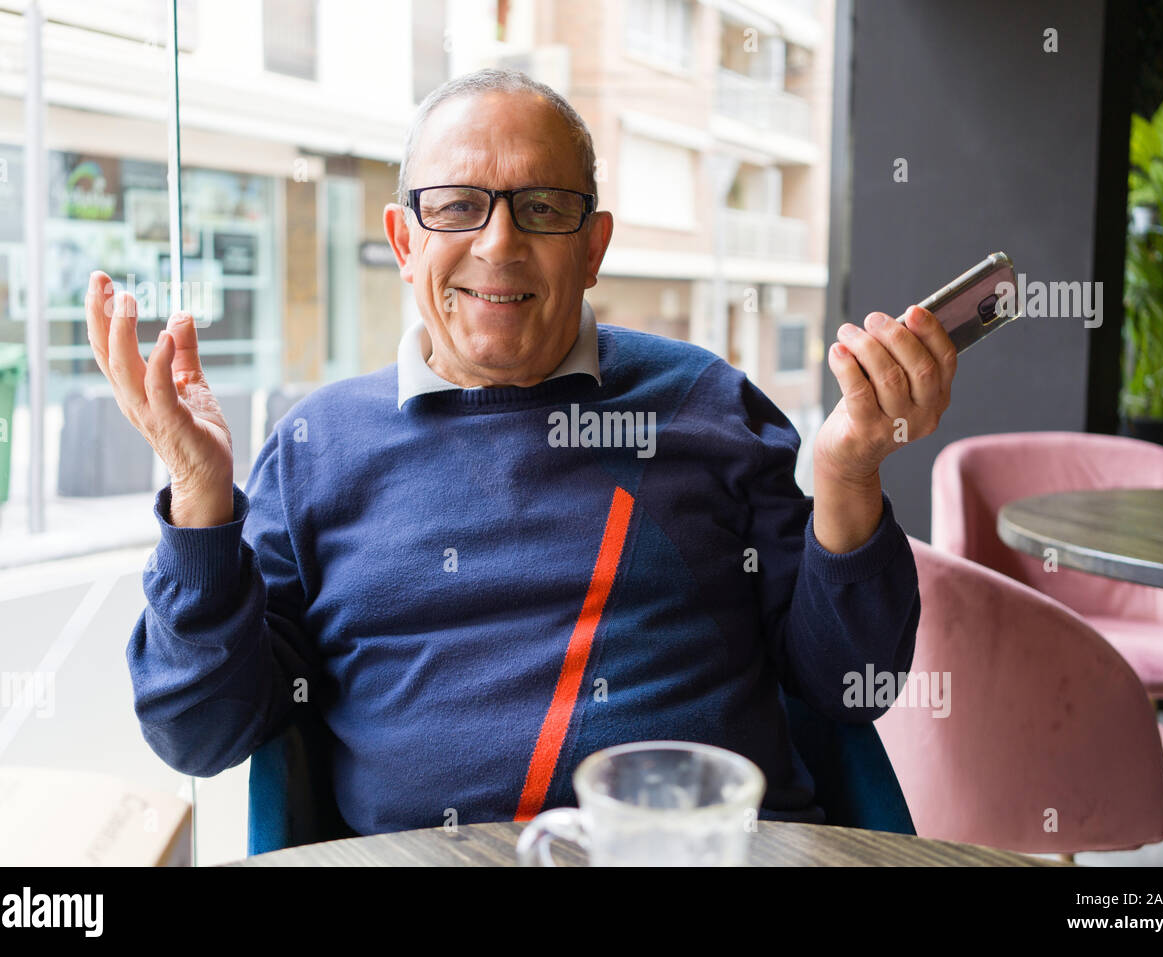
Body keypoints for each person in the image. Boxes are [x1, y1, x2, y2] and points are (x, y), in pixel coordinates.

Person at [89, 69, 955, 837]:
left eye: (541, 207)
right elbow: (199, 733)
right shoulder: (319, 449)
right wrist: (200, 498)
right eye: (458, 205)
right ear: (404, 241)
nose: (498, 243)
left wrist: (847, 475)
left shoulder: (708, 405)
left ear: (592, 248)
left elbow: (853, 685)